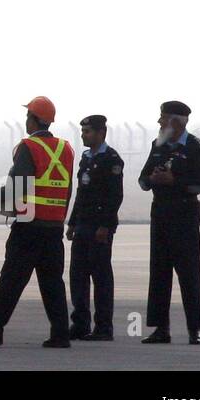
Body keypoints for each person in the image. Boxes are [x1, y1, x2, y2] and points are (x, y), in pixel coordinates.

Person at [0, 95, 74, 348]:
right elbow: (67, 188)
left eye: (28, 116)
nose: (26, 121)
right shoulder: (66, 148)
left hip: (29, 228)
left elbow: (18, 185)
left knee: (11, 281)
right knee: (52, 284)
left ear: (33, 120)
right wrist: (60, 218)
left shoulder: (28, 147)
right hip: (53, 227)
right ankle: (60, 334)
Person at [138, 100, 200, 345]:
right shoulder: (157, 145)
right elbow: (142, 180)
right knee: (159, 272)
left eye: (163, 118)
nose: (159, 122)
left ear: (177, 122)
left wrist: (174, 180)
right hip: (160, 215)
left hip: (185, 217)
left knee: (189, 273)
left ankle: (194, 329)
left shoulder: (195, 147)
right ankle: (161, 328)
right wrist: (153, 178)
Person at [67, 114, 123, 341]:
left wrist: (105, 226)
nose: (83, 135)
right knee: (78, 276)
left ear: (102, 133)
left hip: (100, 227)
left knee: (100, 278)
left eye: (88, 132)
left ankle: (103, 327)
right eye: (82, 132)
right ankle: (80, 324)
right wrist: (71, 222)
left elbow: (115, 196)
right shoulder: (86, 158)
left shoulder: (112, 159)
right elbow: (81, 193)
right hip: (82, 224)